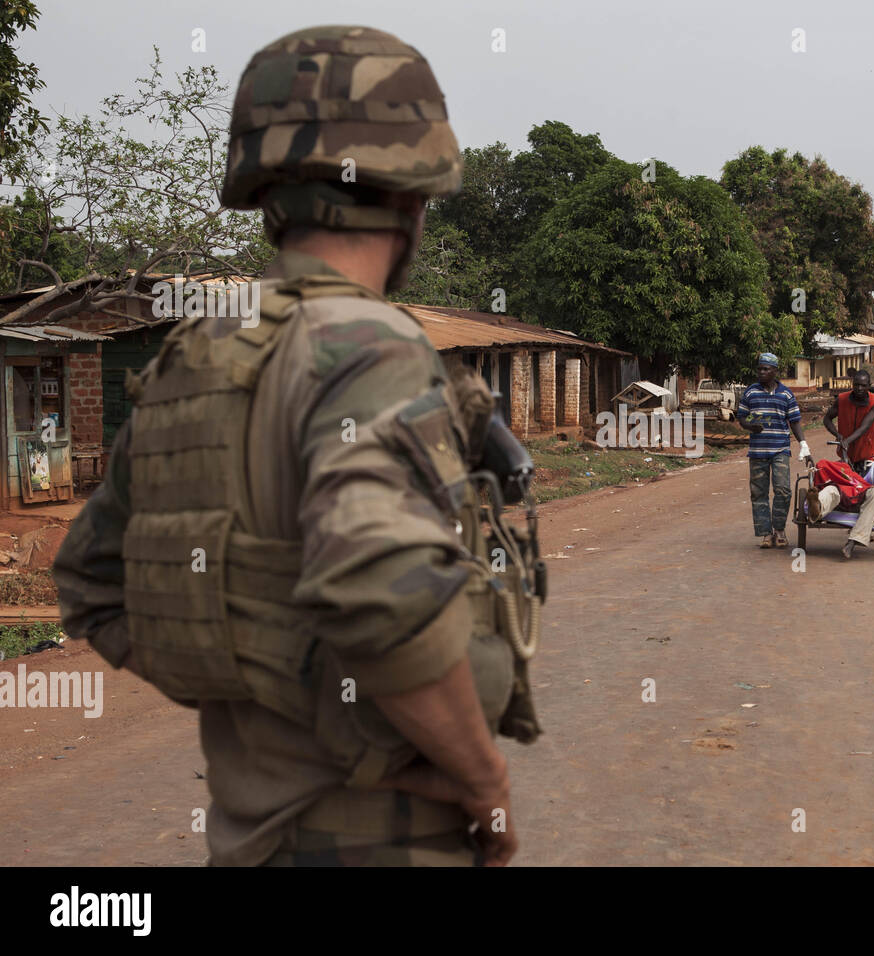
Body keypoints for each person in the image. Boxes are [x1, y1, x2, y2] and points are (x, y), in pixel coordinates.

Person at [53, 26, 541, 867]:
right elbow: (377, 587)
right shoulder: (372, 346)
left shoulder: (194, 359)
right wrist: (485, 782)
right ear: (415, 191)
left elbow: (91, 583)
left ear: (265, 192)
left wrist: (272, 685)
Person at [814, 369, 874, 559]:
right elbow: (826, 419)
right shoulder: (842, 399)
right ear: (852, 384)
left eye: (863, 385)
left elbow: (865, 427)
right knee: (840, 488)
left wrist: (848, 440)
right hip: (846, 457)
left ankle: (855, 538)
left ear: (869, 386)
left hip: (867, 455)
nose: (859, 388)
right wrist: (838, 436)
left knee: (872, 491)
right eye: (856, 384)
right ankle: (817, 507)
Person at [738, 353, 810, 549]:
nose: (761, 372)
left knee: (783, 490)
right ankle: (766, 534)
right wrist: (750, 427)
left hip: (780, 450)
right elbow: (742, 417)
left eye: (766, 369)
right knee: (758, 493)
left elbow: (794, 421)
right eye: (760, 368)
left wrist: (804, 445)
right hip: (757, 452)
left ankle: (779, 529)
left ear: (775, 371)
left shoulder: (786, 394)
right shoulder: (750, 393)